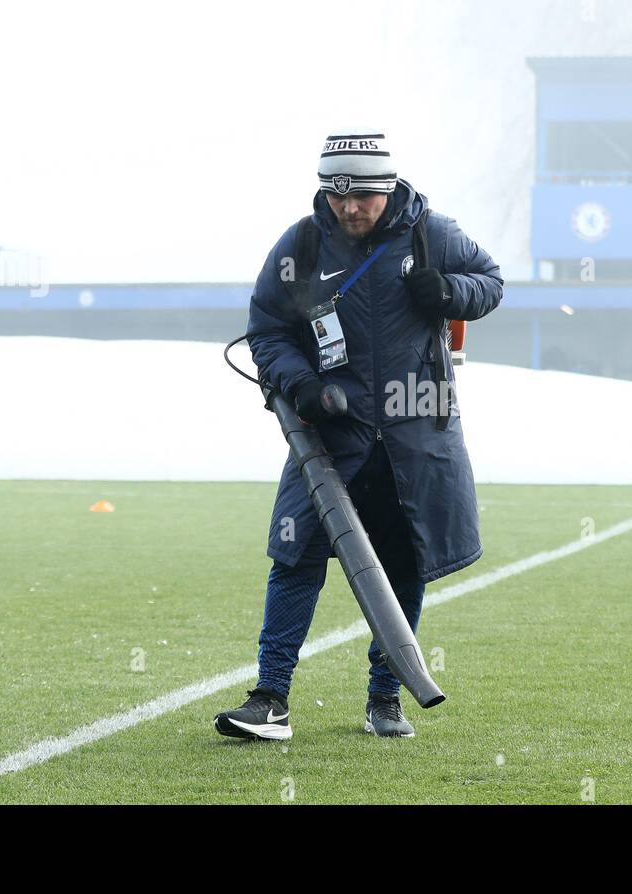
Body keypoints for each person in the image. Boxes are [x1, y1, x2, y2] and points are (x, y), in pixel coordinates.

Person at [215, 129, 502, 740]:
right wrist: (302, 387)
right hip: (328, 437)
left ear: (388, 188)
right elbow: (266, 331)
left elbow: (492, 282)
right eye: (339, 196)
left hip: (415, 434)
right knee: (294, 559)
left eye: (364, 197)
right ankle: (270, 699)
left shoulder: (434, 233)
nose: (351, 209)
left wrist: (452, 291)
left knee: (405, 562)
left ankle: (385, 698)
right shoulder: (299, 246)